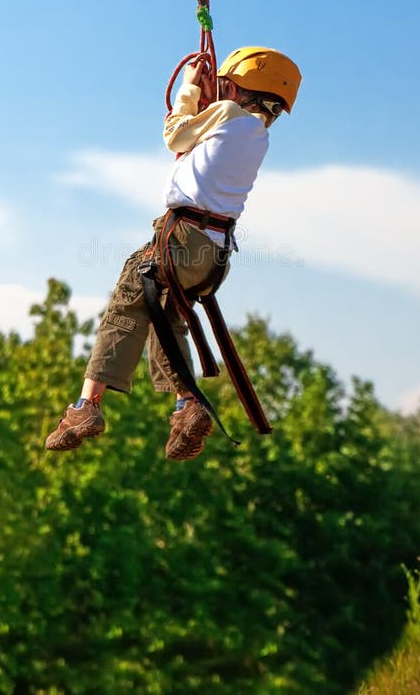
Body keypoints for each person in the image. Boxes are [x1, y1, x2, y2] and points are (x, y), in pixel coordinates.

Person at [45, 47, 301, 461]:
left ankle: (86, 406)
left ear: (237, 87)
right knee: (165, 318)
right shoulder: (257, 135)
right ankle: (187, 406)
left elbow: (175, 135)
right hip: (215, 253)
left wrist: (188, 90)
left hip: (183, 238)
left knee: (127, 303)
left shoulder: (227, 116)